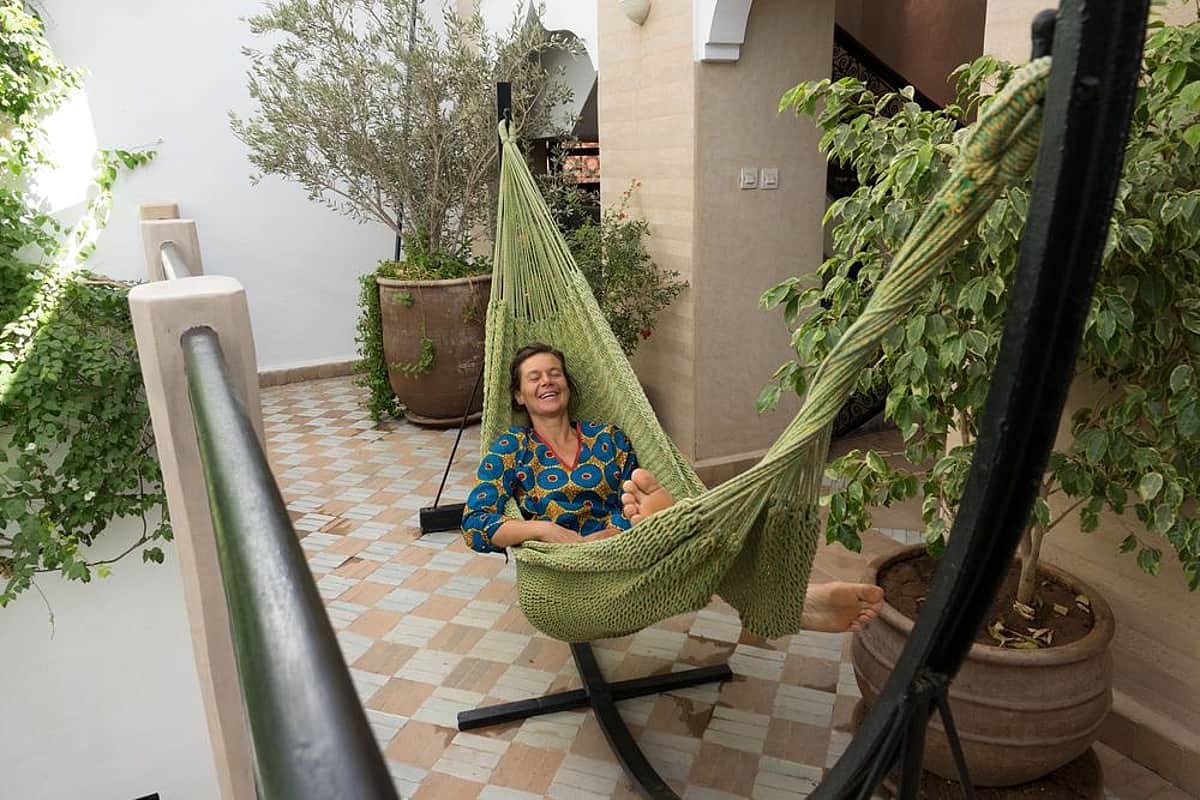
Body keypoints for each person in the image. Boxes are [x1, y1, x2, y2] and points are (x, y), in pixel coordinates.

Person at [462, 342, 884, 633]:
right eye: (534, 378)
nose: (547, 382)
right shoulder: (512, 447)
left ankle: (677, 524)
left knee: (690, 526)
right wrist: (544, 530)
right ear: (519, 396)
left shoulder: (608, 437)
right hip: (562, 579)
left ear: (568, 385)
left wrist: (614, 535)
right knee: (689, 536)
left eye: (555, 373)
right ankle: (793, 602)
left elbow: (629, 499)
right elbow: (476, 524)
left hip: (627, 555)